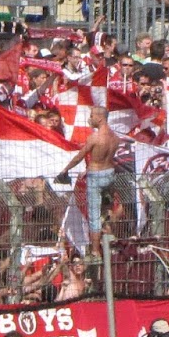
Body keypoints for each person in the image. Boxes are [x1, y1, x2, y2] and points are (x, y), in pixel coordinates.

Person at [56, 106, 117, 255]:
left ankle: (95, 250)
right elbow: (104, 157)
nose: (90, 118)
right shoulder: (115, 137)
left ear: (100, 118)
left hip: (96, 177)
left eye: (92, 116)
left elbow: (80, 156)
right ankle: (109, 235)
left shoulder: (95, 137)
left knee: (94, 215)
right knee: (107, 209)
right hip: (110, 174)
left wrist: (65, 170)